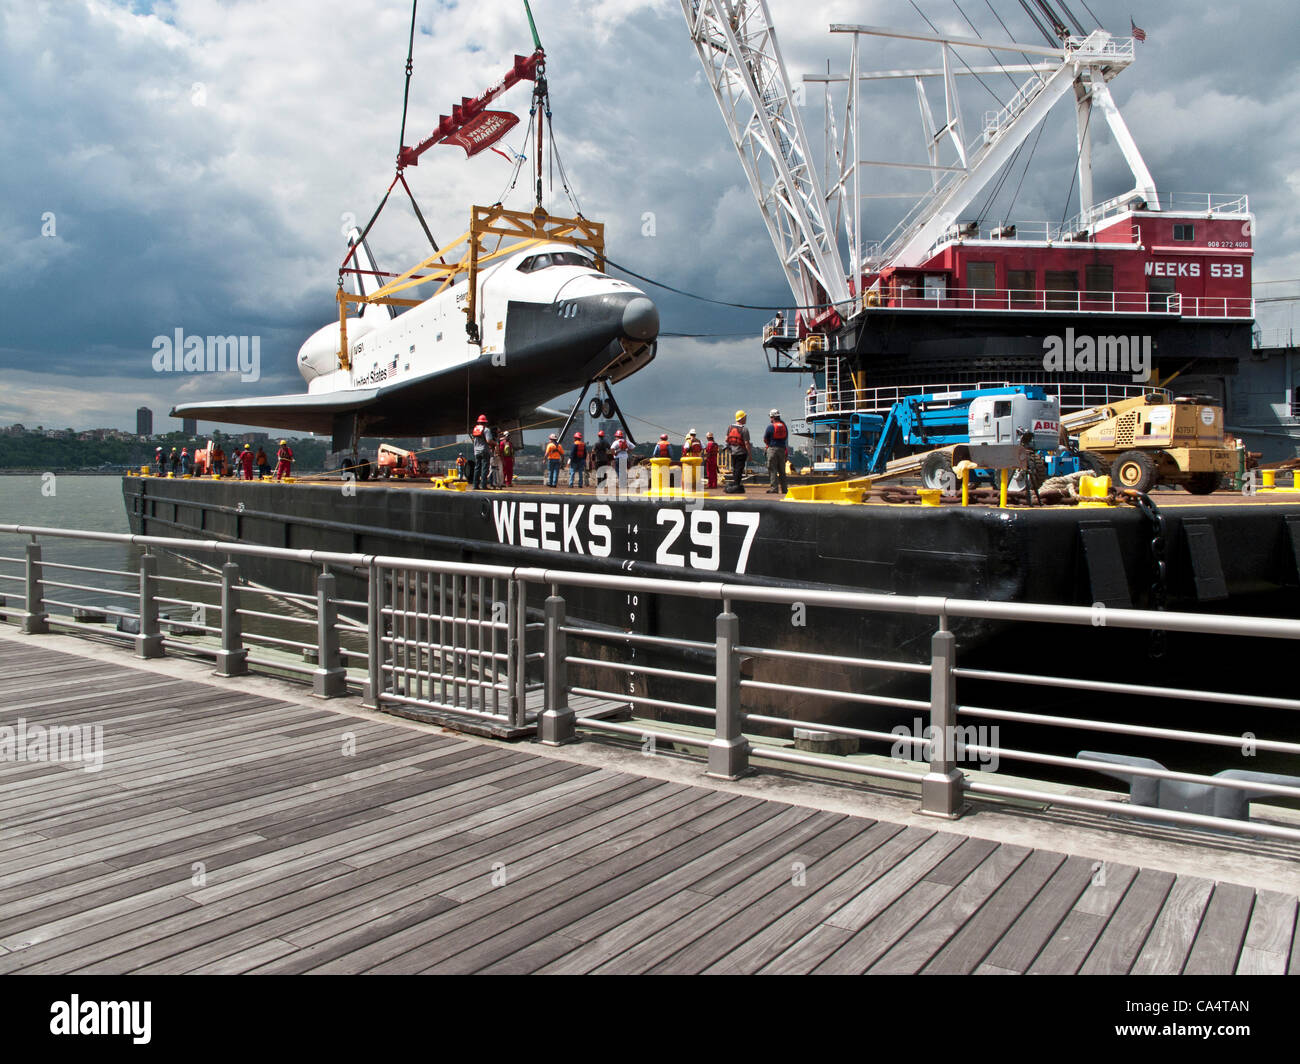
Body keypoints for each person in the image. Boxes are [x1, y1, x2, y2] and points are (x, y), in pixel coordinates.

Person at [764, 408, 790, 495]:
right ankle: (784, 489)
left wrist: (768, 445)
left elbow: (765, 438)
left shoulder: (771, 427)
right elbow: (786, 437)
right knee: (782, 470)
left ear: (772, 417)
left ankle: (774, 488)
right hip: (782, 449)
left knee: (772, 469)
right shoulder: (784, 426)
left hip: (772, 449)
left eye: (771, 417)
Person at [724, 410, 751, 494]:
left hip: (733, 452)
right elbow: (746, 443)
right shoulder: (744, 429)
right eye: (745, 417)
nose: (746, 419)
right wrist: (749, 454)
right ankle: (736, 485)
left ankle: (735, 484)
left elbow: (726, 439)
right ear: (741, 418)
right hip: (741, 453)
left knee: (735, 469)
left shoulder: (730, 427)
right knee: (739, 469)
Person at [470, 414, 493, 489]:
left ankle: (475, 485)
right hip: (484, 451)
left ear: (479, 422)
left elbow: (474, 440)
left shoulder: (475, 429)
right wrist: (496, 443)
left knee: (477, 468)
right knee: (484, 468)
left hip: (476, 452)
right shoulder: (486, 430)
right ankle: (484, 485)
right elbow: (489, 441)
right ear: (485, 422)